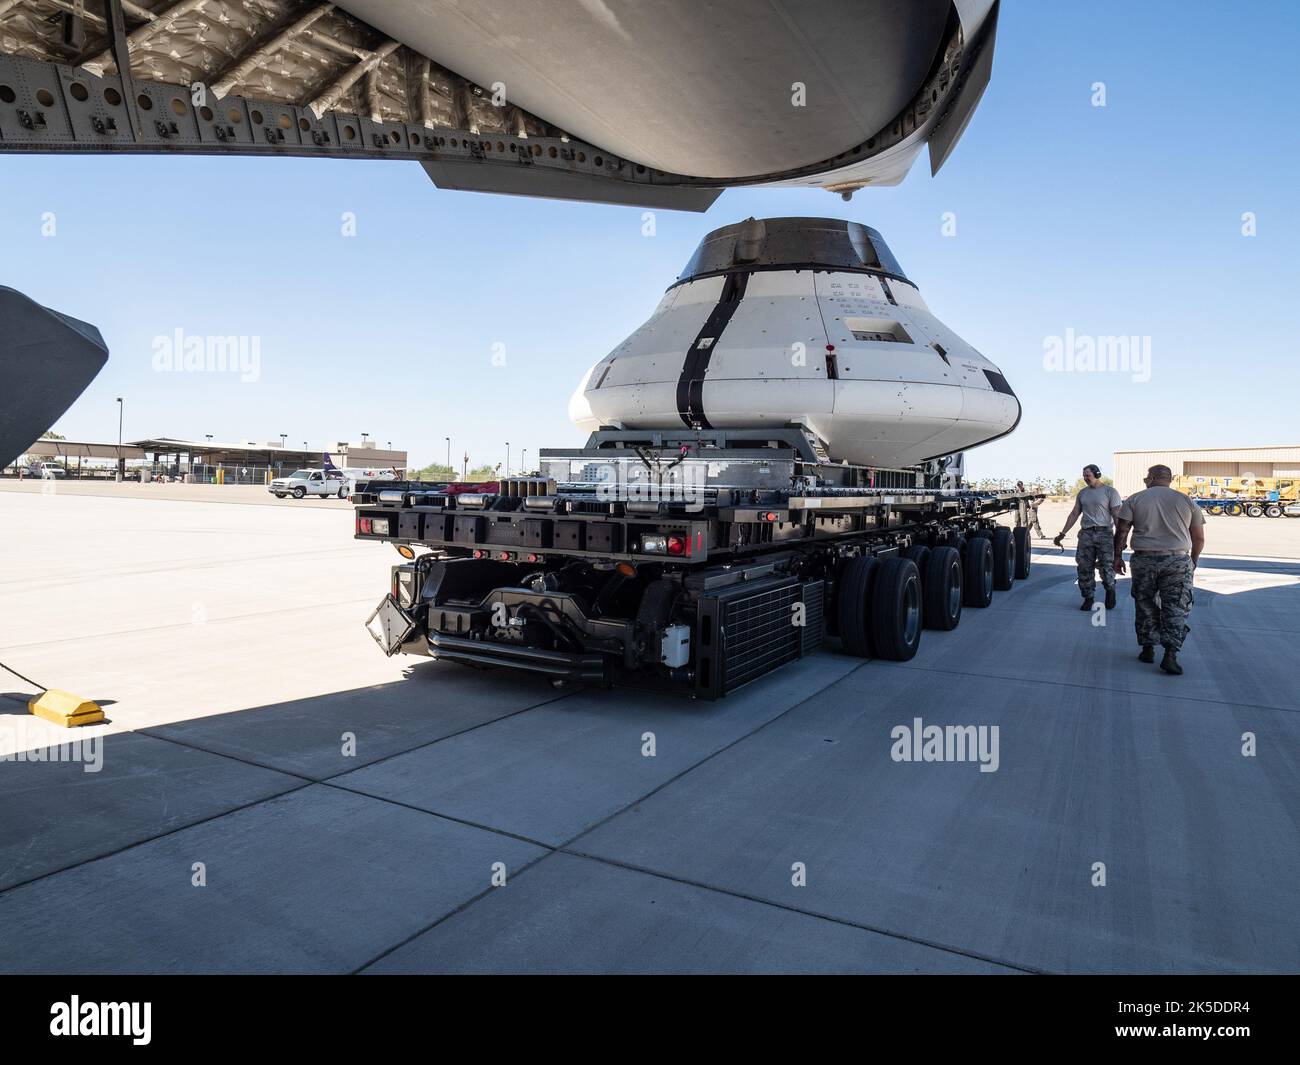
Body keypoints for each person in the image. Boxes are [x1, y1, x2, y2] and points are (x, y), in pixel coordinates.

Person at [1114, 464, 1205, 675]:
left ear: (1153, 477)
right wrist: (1193, 560)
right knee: (1176, 607)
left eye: (1147, 476)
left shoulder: (1135, 499)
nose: (1146, 479)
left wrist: (1117, 556)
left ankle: (1147, 649)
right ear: (1169, 479)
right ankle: (1170, 655)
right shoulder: (1186, 501)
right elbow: (1198, 538)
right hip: (1177, 561)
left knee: (1145, 603)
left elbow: (1121, 531)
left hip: (1144, 560)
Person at [1055, 464, 1122, 610]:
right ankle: (1088, 597)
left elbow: (1117, 516)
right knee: (1084, 567)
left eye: (1088, 475)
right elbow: (1074, 514)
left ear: (1097, 474)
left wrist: (1120, 539)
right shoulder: (1083, 493)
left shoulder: (1110, 492)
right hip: (1086, 534)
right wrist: (1062, 533)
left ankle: (1110, 590)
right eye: (1084, 475)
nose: (1085, 478)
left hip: (1105, 533)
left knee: (1106, 568)